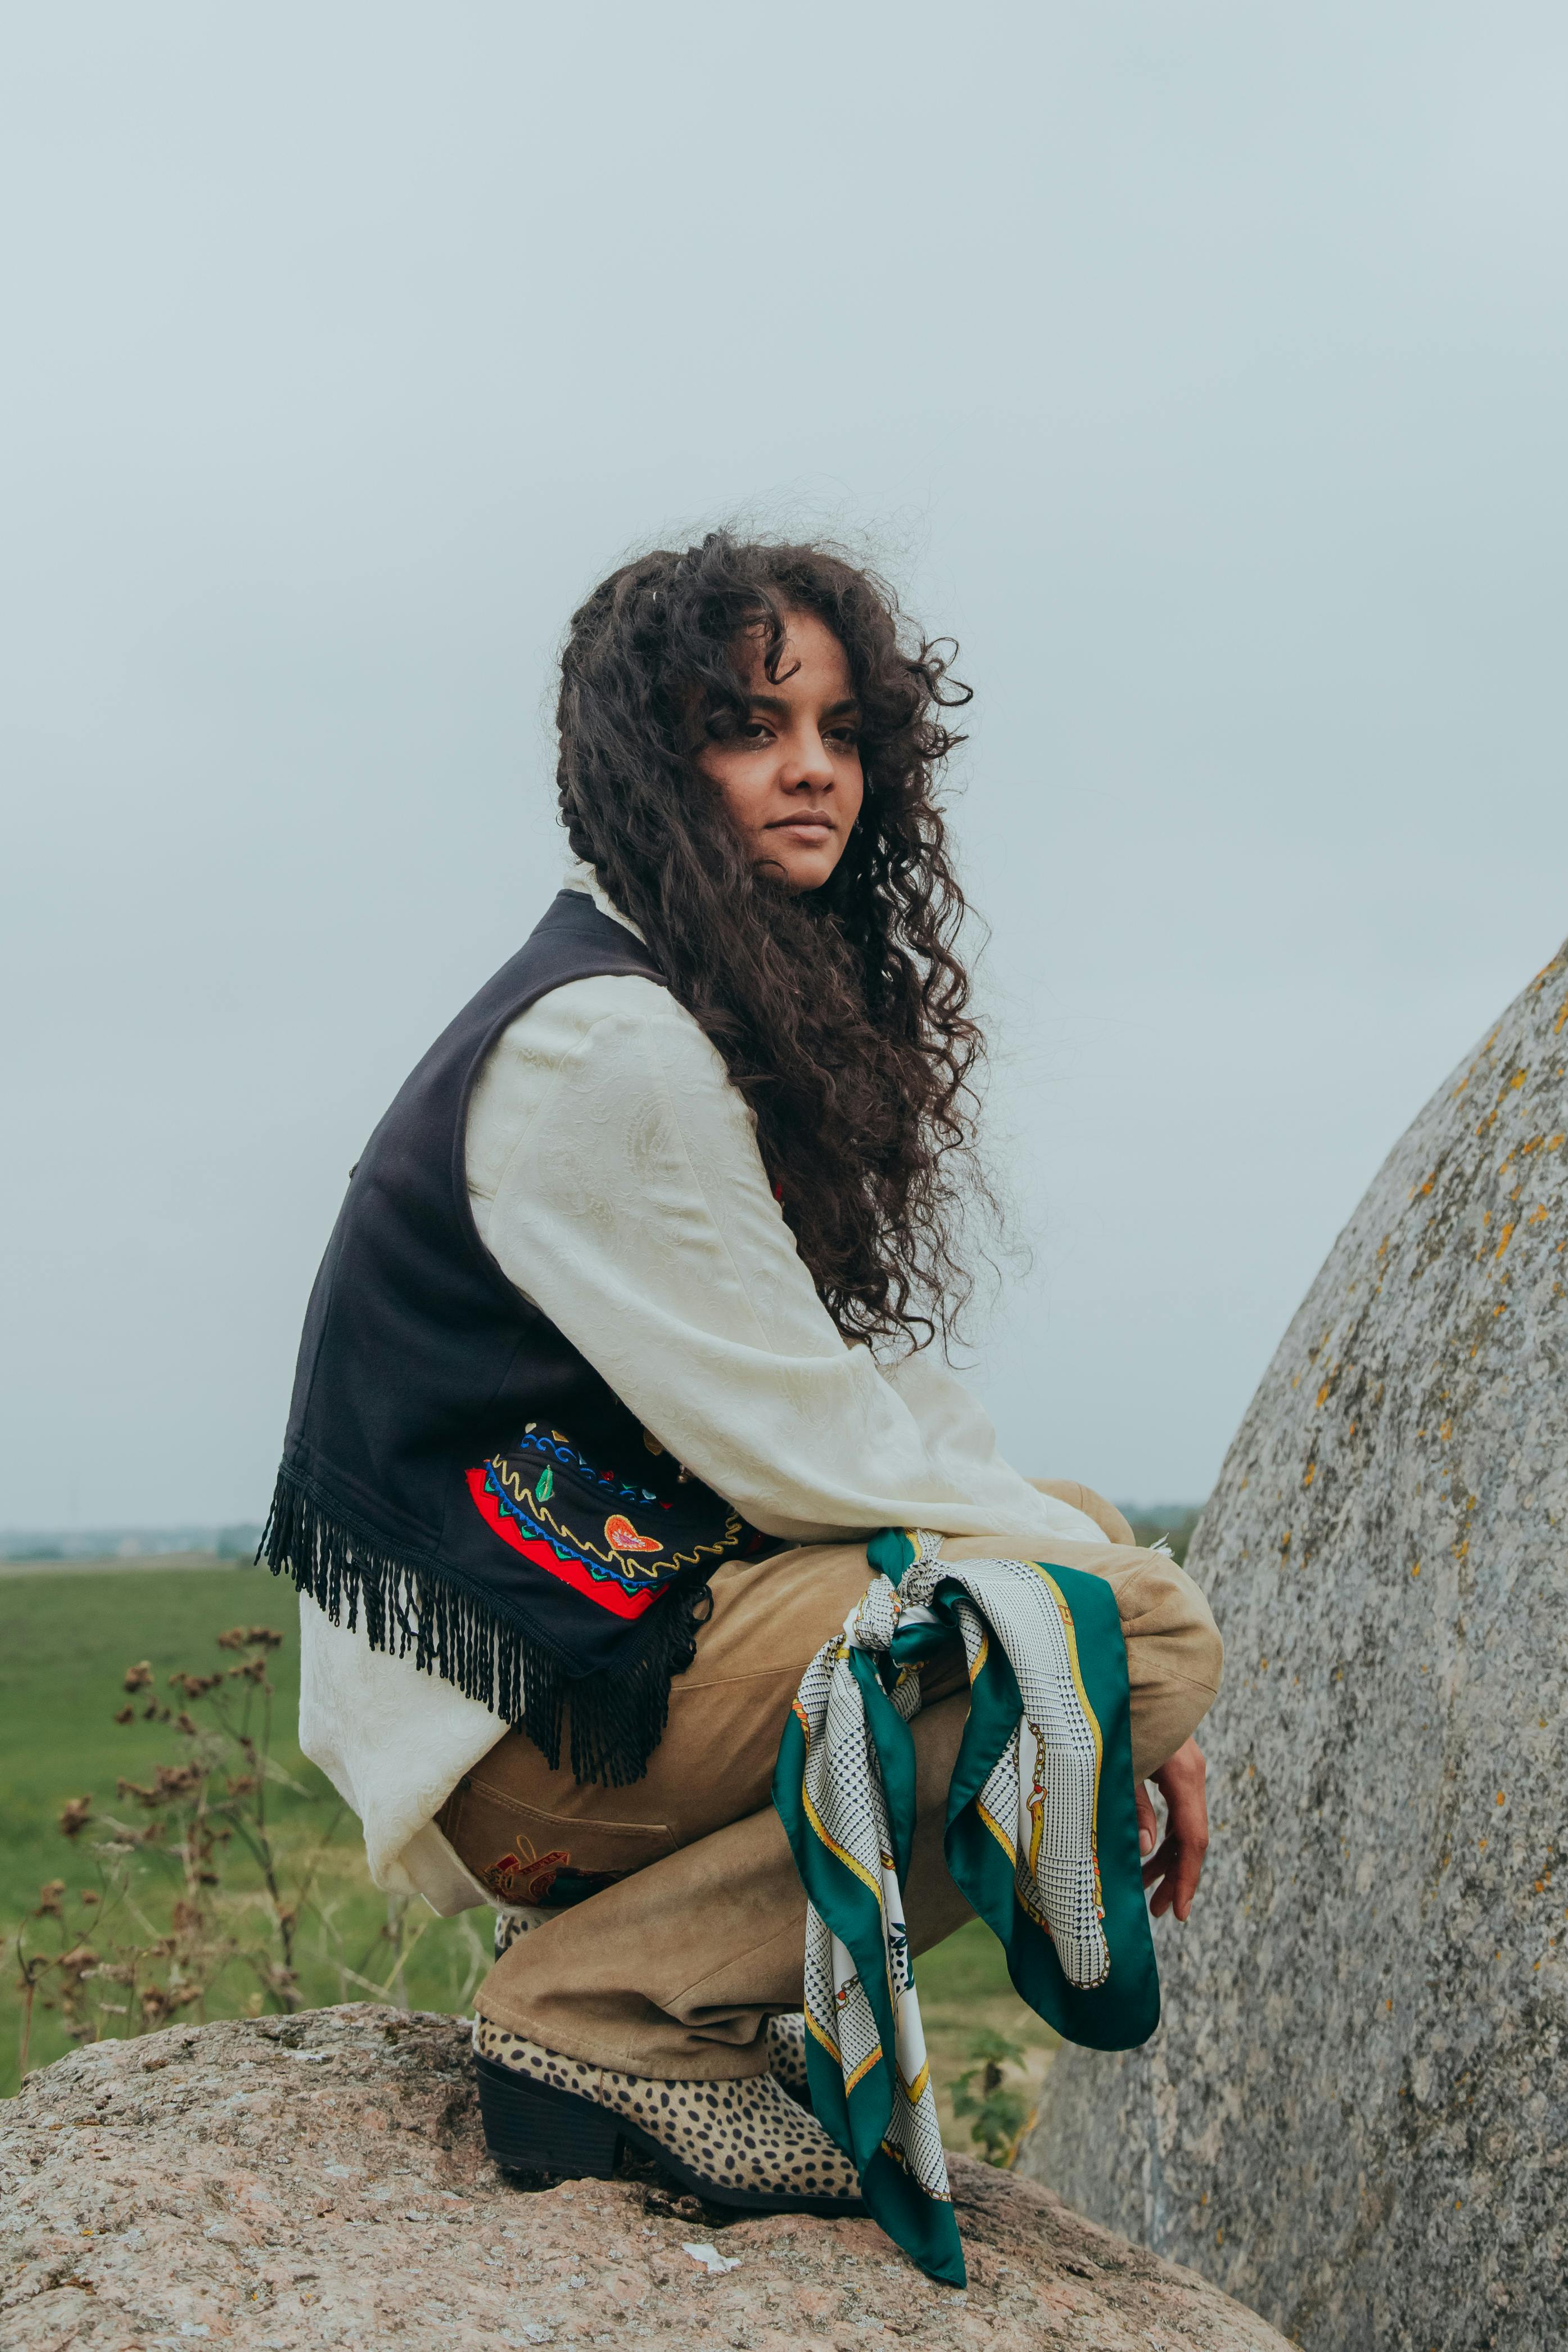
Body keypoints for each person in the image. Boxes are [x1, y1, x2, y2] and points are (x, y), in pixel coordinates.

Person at [264, 532, 1221, 2217]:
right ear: (650, 762)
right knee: (1131, 1631)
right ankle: (607, 2009)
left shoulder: (671, 1003)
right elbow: (808, 1447)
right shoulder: (613, 1044)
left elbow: (844, 1396)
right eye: (748, 727)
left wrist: (1076, 1549)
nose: (812, 770)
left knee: (1072, 1552)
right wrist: (1115, 1649)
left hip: (572, 1651)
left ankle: (661, 1971)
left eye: (842, 731)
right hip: (524, 1722)